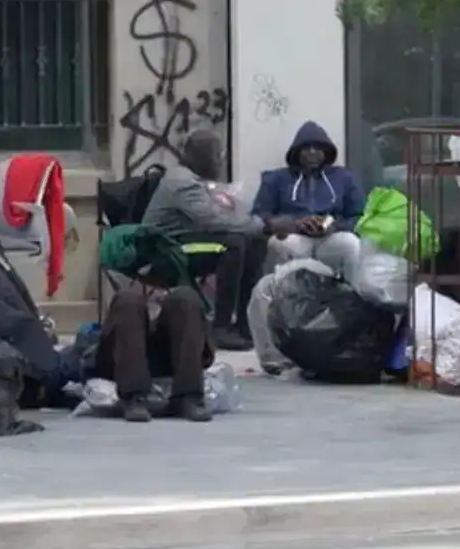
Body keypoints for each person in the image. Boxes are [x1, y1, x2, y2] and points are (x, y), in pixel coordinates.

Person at [104, 130, 297, 421]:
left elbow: (222, 218)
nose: (220, 161)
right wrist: (265, 224)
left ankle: (242, 325)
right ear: (196, 156)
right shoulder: (182, 182)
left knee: (249, 240)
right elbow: (212, 219)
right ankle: (221, 325)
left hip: (185, 241)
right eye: (215, 155)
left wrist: (256, 226)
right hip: (165, 250)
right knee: (234, 243)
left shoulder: (195, 181)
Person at [250, 120, 365, 275]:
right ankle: (283, 295)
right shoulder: (277, 179)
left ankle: (351, 295)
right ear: (296, 152)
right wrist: (291, 224)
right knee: (279, 244)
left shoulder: (344, 178)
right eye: (306, 148)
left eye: (318, 148)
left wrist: (334, 226)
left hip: (330, 238)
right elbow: (259, 216)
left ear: (327, 152)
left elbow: (360, 217)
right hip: (294, 238)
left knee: (351, 244)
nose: (312, 152)